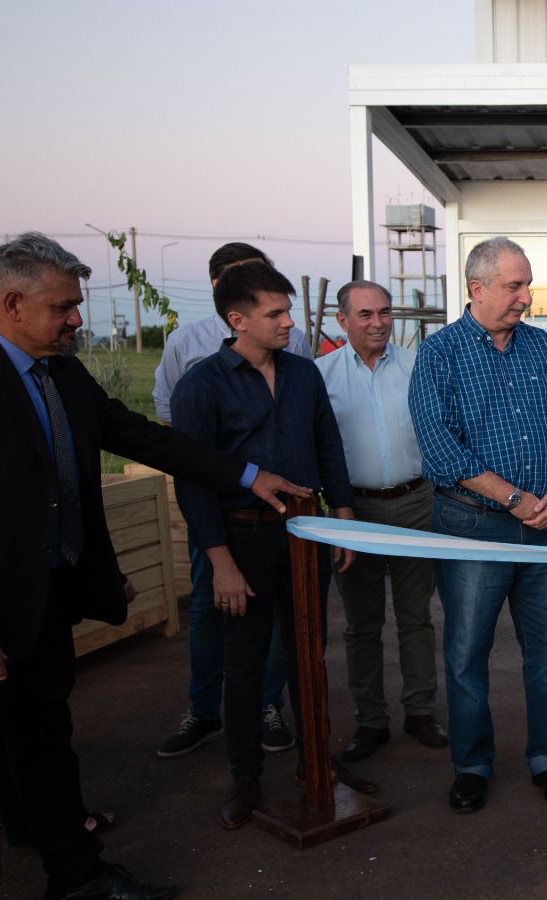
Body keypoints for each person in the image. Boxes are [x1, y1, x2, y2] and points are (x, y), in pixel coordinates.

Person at [0, 232, 307, 899]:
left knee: (42, 729)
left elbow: (143, 438)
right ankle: (75, 871)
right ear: (13, 304)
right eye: (64, 307)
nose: (78, 319)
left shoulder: (62, 375)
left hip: (44, 593)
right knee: (29, 734)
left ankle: (47, 834)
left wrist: (247, 473)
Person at [171, 261, 363, 829]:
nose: (287, 322)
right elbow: (194, 480)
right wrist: (220, 562)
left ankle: (316, 765)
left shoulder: (303, 374)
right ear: (238, 320)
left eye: (286, 310)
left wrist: (343, 518)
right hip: (242, 539)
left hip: (305, 534)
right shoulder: (200, 386)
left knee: (310, 651)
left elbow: (328, 445)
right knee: (246, 662)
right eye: (274, 313)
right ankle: (246, 777)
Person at [409, 237, 547, 814]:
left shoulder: (545, 350)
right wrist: (513, 498)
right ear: (476, 288)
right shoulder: (440, 355)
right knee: (466, 653)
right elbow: (439, 449)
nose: (526, 297)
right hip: (473, 526)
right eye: (514, 286)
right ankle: (473, 765)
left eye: (527, 285)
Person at [153, 243, 306, 759]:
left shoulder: (295, 348)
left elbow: (303, 420)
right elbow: (179, 441)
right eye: (240, 277)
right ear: (224, 294)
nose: (285, 321)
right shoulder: (189, 350)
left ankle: (268, 706)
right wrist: (215, 540)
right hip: (221, 518)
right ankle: (204, 710)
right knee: (211, 608)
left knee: (278, 623)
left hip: (285, 517)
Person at [315, 281, 447, 762]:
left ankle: (420, 712)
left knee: (417, 618)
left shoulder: (418, 367)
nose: (377, 323)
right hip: (354, 512)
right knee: (361, 624)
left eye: (385, 313)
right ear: (342, 320)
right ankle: (371, 721)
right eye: (366, 314)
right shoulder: (320, 376)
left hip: (416, 504)